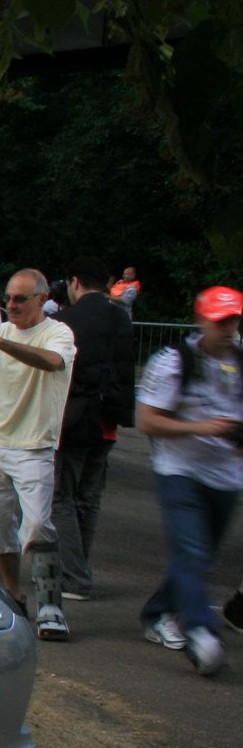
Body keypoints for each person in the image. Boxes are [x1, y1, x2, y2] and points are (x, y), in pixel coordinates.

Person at [0, 268, 78, 639]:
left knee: (38, 524)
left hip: (34, 445)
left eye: (21, 298)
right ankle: (12, 595)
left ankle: (51, 606)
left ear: (42, 299)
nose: (12, 305)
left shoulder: (58, 332)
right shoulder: (2, 332)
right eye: (8, 297)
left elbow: (53, 362)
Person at [134, 285, 242, 675]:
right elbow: (146, 420)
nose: (226, 328)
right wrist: (203, 427)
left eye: (232, 320)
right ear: (201, 320)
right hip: (180, 471)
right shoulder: (173, 362)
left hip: (227, 475)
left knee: (196, 557)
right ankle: (201, 633)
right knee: (193, 553)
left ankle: (157, 611)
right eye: (219, 321)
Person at [51, 256, 137, 601]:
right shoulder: (120, 317)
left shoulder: (66, 320)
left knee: (62, 497)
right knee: (88, 498)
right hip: (108, 420)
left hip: (74, 419)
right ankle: (79, 570)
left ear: (75, 282)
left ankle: (74, 576)